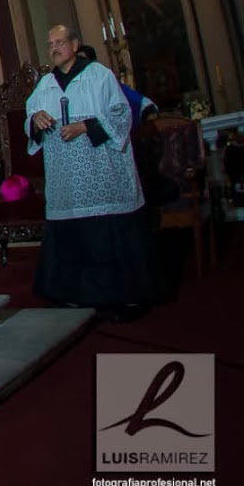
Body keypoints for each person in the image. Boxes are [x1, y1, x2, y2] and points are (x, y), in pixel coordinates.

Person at [27, 24, 157, 319]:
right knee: (72, 237)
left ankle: (123, 300)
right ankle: (73, 296)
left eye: (60, 42)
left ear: (74, 44)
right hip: (65, 180)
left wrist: (85, 126)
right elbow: (30, 117)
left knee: (108, 236)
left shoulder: (100, 76)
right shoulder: (45, 84)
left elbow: (121, 114)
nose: (54, 48)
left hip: (102, 173)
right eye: (50, 44)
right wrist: (36, 119)